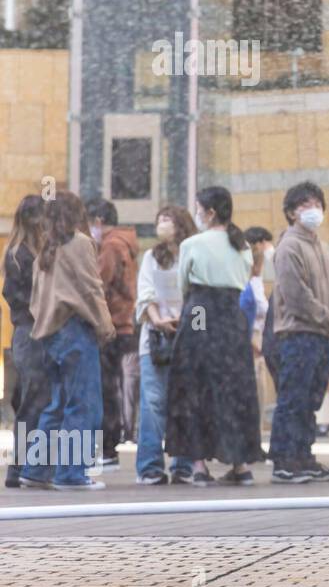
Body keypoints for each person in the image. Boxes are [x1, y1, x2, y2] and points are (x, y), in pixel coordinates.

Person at [166, 187, 264, 486]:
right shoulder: (243, 245)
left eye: (198, 208)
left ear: (209, 212)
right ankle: (240, 463)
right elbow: (245, 279)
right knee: (234, 385)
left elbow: (183, 285)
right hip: (232, 315)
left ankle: (198, 465)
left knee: (195, 383)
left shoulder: (192, 244)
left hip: (199, 310)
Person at [23, 191, 116, 490]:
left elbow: (35, 300)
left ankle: (34, 470)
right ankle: (71, 475)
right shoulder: (80, 244)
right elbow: (91, 288)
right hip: (75, 329)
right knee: (84, 405)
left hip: (49, 334)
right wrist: (105, 324)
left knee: (57, 404)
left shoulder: (44, 251)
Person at [269, 181, 329, 483]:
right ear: (291, 213)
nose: (312, 210)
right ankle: (284, 461)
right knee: (293, 399)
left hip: (322, 335)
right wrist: (328, 317)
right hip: (298, 334)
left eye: (316, 204)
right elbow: (295, 294)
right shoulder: (289, 246)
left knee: (311, 401)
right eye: (304, 205)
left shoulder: (323, 247)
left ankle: (303, 456)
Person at [134, 206, 198, 485]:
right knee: (153, 401)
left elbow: (197, 293)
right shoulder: (151, 256)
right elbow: (144, 292)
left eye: (167, 219)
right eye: (158, 219)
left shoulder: (193, 254)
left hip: (186, 335)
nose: (161, 224)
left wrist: (184, 319)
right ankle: (149, 466)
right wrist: (158, 319)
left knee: (185, 402)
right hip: (156, 338)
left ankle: (184, 464)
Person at [85, 197, 139, 470]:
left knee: (105, 388)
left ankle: (107, 448)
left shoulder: (110, 245)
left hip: (111, 325)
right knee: (113, 386)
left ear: (98, 221)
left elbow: (98, 285)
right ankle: (110, 446)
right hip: (124, 323)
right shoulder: (126, 243)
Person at [3, 195, 49, 488]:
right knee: (34, 400)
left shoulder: (21, 251)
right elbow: (16, 296)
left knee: (36, 400)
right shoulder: (21, 253)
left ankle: (29, 466)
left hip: (32, 331)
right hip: (32, 332)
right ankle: (21, 468)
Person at [238, 226, 276, 427]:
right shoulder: (243, 283)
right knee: (249, 395)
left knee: (259, 395)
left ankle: (253, 439)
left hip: (261, 343)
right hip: (249, 343)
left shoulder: (258, 282)